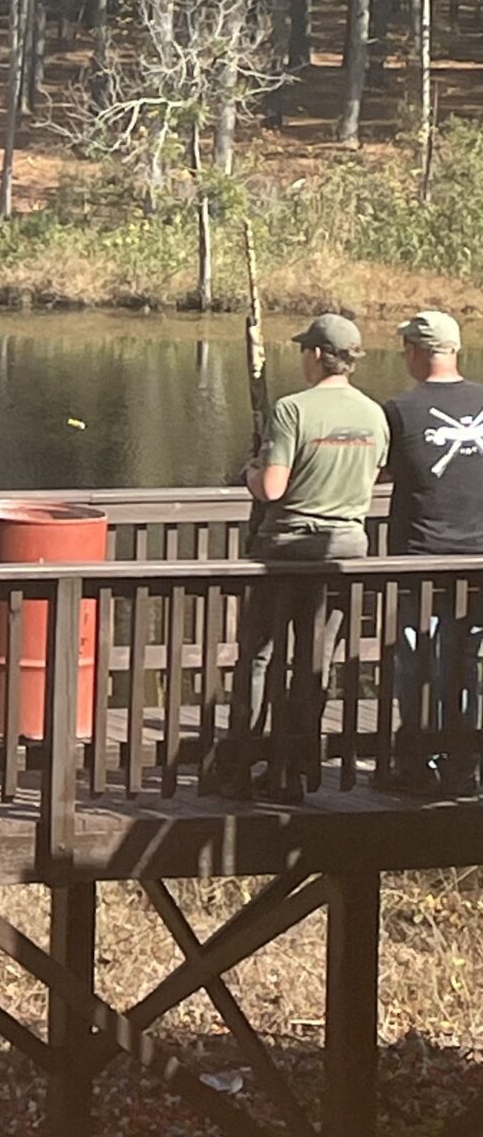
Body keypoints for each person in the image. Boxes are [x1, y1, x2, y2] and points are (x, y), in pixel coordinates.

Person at [213, 313, 388, 803]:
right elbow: (370, 482)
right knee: (314, 660)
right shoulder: (374, 414)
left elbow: (272, 487)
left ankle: (241, 758)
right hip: (345, 550)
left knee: (260, 655)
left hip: (287, 549)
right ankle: (298, 762)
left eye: (303, 351)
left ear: (316, 354)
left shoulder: (292, 409)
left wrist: (250, 471)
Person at [382, 310, 483, 790]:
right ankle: (463, 766)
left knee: (416, 657)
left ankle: (415, 764)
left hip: (419, 556)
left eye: (406, 348)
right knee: (465, 660)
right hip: (478, 560)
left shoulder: (401, 411)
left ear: (418, 352)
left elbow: (381, 473)